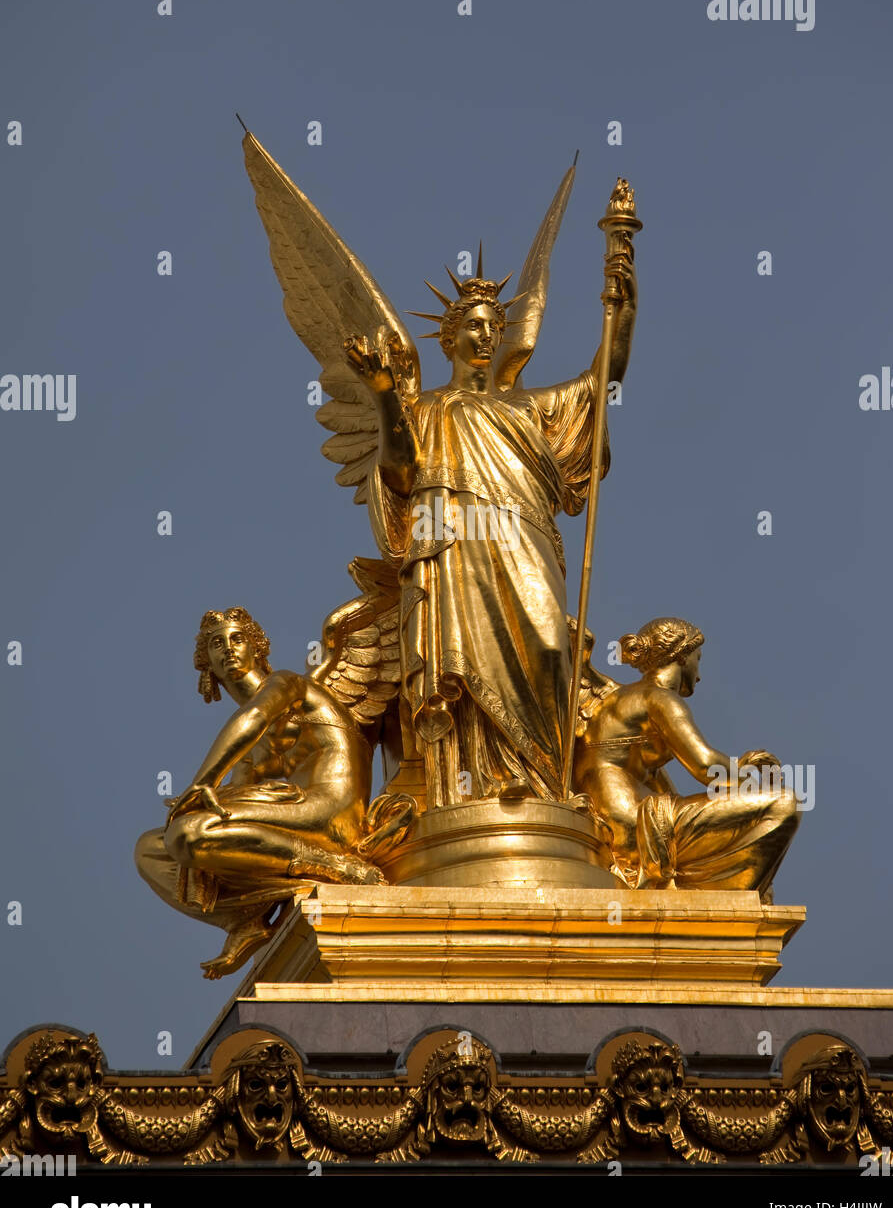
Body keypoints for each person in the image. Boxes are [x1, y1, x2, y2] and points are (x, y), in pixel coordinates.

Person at [344, 258, 636, 811]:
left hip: (526, 542)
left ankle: (549, 788)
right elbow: (402, 473)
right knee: (460, 663)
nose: (484, 335)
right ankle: (473, 792)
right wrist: (385, 394)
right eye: (472, 325)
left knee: (550, 652)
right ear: (449, 339)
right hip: (455, 549)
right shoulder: (426, 408)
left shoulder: (530, 408)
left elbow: (605, 377)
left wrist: (623, 302)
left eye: (493, 326)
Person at [135, 606, 382, 978]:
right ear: (207, 664)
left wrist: (204, 781)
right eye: (216, 644)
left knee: (190, 831)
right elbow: (232, 837)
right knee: (156, 848)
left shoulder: (288, 684)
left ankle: (336, 867)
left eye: (238, 639)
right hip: (290, 815)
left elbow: (253, 719)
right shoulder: (248, 754)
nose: (228, 649)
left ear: (258, 648)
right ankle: (242, 918)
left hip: (331, 808)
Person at [573, 616, 799, 893]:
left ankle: (716, 890)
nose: (699, 674)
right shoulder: (659, 698)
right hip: (637, 827)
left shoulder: (616, 698)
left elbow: (660, 784)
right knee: (784, 804)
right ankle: (720, 893)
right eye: (698, 659)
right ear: (681, 656)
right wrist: (745, 772)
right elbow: (704, 767)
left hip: (612, 821)